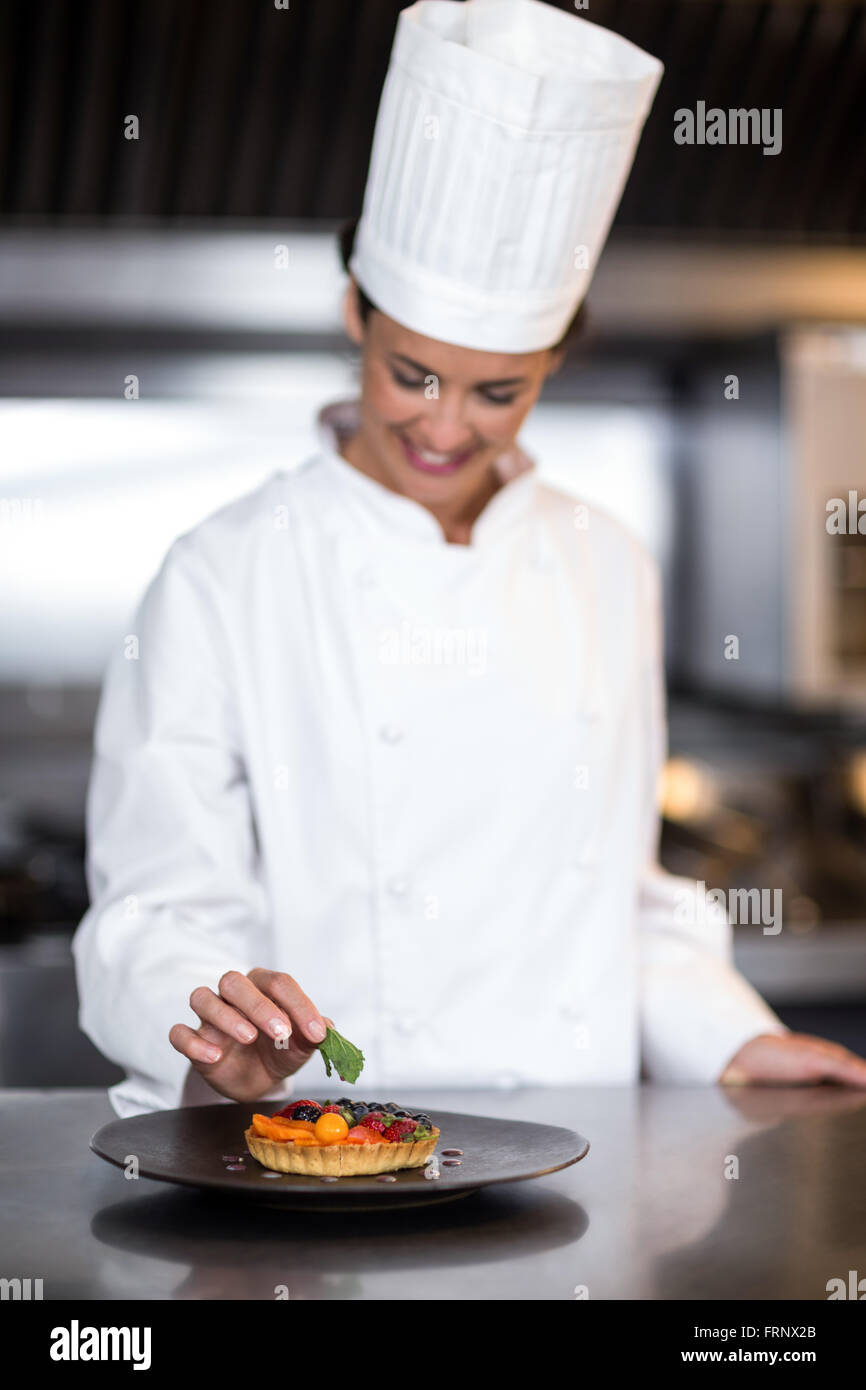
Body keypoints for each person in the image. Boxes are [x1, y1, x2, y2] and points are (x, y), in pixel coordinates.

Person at [73, 0, 866, 1116]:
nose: (445, 428)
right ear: (355, 315)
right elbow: (155, 910)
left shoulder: (605, 562)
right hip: (329, 1140)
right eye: (412, 375)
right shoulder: (225, 572)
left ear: (554, 362)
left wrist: (734, 1037)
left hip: (579, 1155)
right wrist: (215, 1029)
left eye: (499, 391)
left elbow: (619, 894)